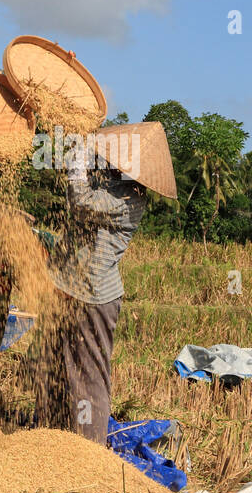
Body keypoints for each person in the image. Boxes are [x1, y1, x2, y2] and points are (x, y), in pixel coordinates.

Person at [38, 123, 176, 444]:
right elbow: (82, 170)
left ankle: (89, 450)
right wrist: (79, 143)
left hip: (93, 297)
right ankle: (49, 440)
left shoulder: (129, 200)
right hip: (67, 286)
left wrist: (78, 161)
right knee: (55, 367)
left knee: (87, 375)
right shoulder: (113, 180)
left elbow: (81, 201)